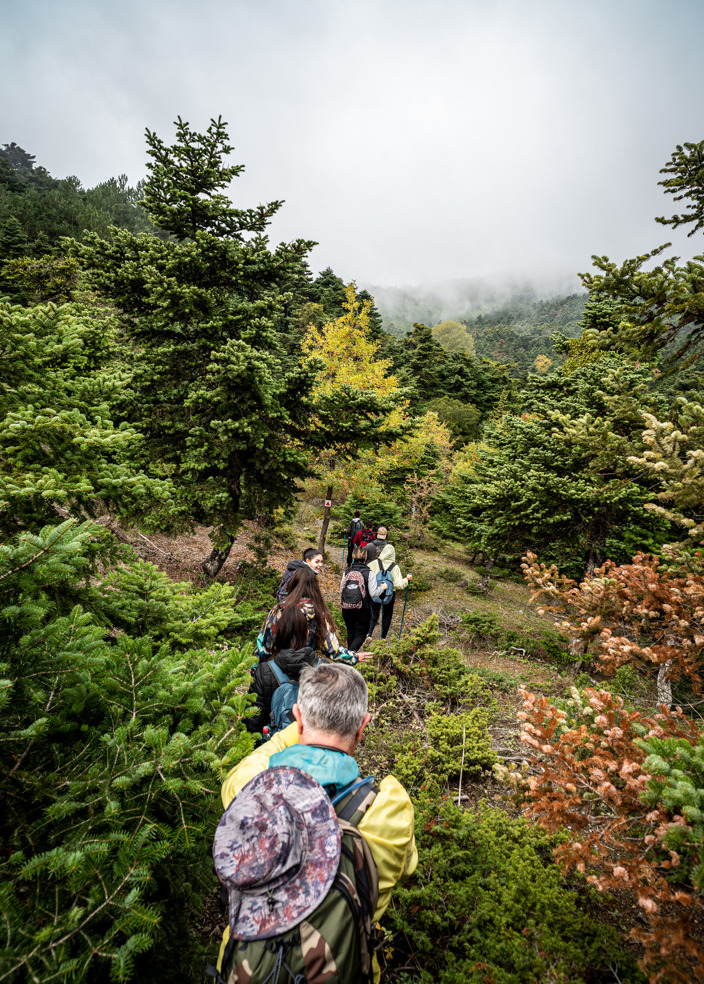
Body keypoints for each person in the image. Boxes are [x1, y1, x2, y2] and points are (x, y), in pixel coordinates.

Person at [215, 662, 417, 983]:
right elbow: (406, 868)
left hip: (247, 968)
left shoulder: (248, 788)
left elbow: (263, 755)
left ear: (297, 716)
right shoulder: (389, 808)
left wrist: (300, 727)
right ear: (363, 726)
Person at [256, 567, 371, 664]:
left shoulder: (278, 609)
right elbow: (332, 649)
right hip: (306, 668)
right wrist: (354, 657)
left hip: (279, 665)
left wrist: (257, 668)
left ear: (293, 584)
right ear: (315, 587)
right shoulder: (317, 612)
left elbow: (264, 645)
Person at [245, 604, 318, 735]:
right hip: (312, 743)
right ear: (307, 634)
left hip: (276, 744)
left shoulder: (265, 671)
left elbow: (252, 721)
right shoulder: (324, 670)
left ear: (278, 635)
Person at [367, 531, 412, 640]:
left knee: (373, 613)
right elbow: (398, 584)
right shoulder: (394, 567)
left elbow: (367, 575)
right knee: (387, 615)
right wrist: (406, 579)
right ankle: (383, 638)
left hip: (375, 591)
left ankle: (369, 634)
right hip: (389, 594)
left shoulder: (374, 563)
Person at [340, 544, 384, 651]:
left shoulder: (347, 572)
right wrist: (382, 588)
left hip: (347, 607)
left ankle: (349, 655)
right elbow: (373, 593)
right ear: (365, 557)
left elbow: (342, 589)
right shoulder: (368, 573)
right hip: (362, 609)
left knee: (350, 631)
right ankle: (349, 656)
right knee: (361, 634)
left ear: (353, 556)